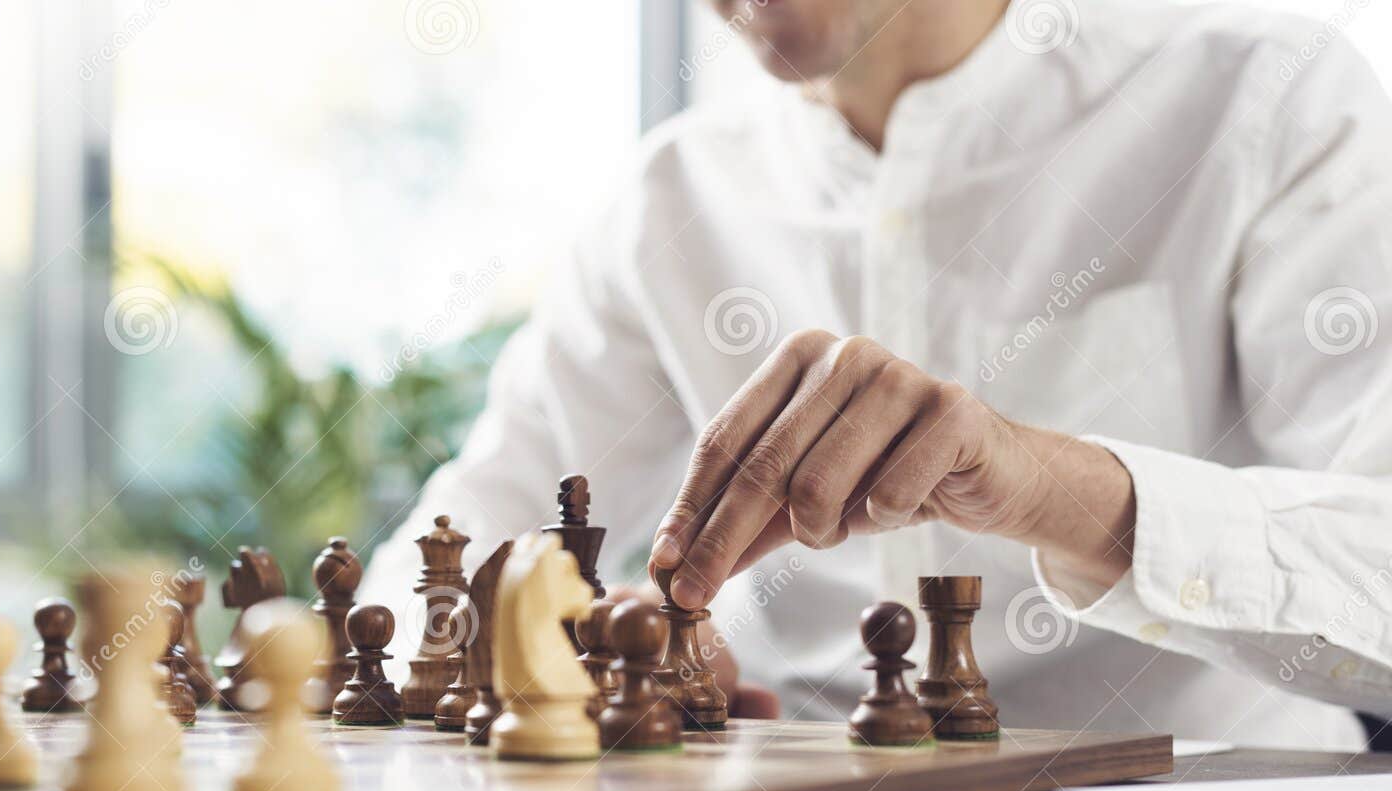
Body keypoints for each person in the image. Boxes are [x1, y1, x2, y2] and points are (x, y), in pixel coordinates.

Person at [363, 0, 1392, 749]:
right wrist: (567, 651)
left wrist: (1051, 488)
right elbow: (453, 551)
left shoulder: (1266, 96)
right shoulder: (670, 199)